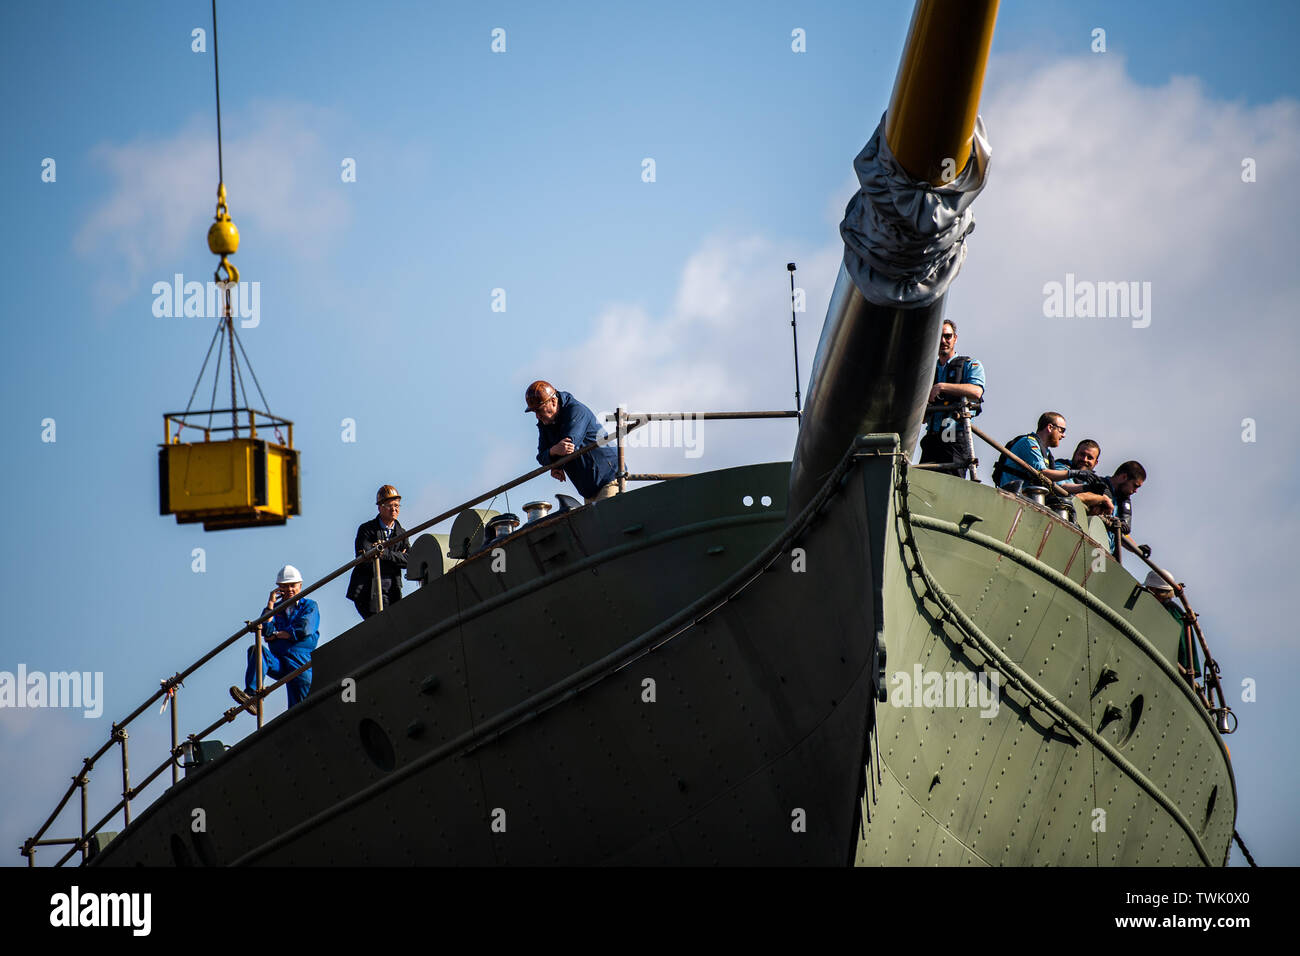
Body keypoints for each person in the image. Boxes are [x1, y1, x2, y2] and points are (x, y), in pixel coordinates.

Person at [230, 564, 319, 712]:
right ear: (278, 589)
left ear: (300, 586)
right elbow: (264, 629)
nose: (289, 590)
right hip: (280, 661)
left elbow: (303, 629)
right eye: (285, 586)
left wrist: (277, 635)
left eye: (292, 585)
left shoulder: (309, 606)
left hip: (300, 663)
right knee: (256, 651)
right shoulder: (276, 610)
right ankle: (252, 697)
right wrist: (270, 604)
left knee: (301, 707)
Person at [526, 380, 620, 504]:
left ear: (553, 402)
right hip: (589, 488)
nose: (537, 416)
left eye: (539, 410)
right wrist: (554, 456)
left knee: (606, 520)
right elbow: (541, 457)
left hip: (608, 478)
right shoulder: (545, 423)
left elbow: (569, 447)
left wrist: (555, 461)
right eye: (534, 412)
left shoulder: (576, 410)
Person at [918, 320, 985, 473]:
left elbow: (976, 392)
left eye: (947, 336)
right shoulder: (927, 371)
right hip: (932, 439)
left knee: (952, 483)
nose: (943, 341)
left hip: (954, 438)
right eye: (939, 336)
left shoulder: (970, 365)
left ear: (955, 338)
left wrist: (941, 387)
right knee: (923, 487)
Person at [346, 484, 409, 620]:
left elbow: (409, 559)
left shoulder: (401, 533)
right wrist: (397, 558)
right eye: (390, 505)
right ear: (380, 507)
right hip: (367, 590)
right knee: (380, 624)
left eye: (397, 506)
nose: (394, 509)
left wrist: (384, 554)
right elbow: (365, 558)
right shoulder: (367, 530)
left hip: (392, 590)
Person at [993, 412, 1087, 490]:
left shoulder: (1047, 453)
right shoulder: (1029, 443)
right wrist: (1075, 473)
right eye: (1061, 430)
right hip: (1012, 495)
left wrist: (1087, 487)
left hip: (1028, 497)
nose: (1063, 435)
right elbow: (1042, 473)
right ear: (1050, 427)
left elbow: (1059, 486)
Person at [1144, 568, 1201, 684]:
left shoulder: (1173, 613)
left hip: (1178, 671)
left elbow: (1181, 648)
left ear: (1156, 591)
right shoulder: (1169, 610)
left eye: (1149, 590)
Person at [1097, 461, 1147, 553]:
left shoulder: (1121, 500)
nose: (1136, 491)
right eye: (1135, 486)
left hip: (1104, 555)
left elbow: (1121, 533)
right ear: (1124, 477)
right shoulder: (1097, 487)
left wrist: (1137, 549)